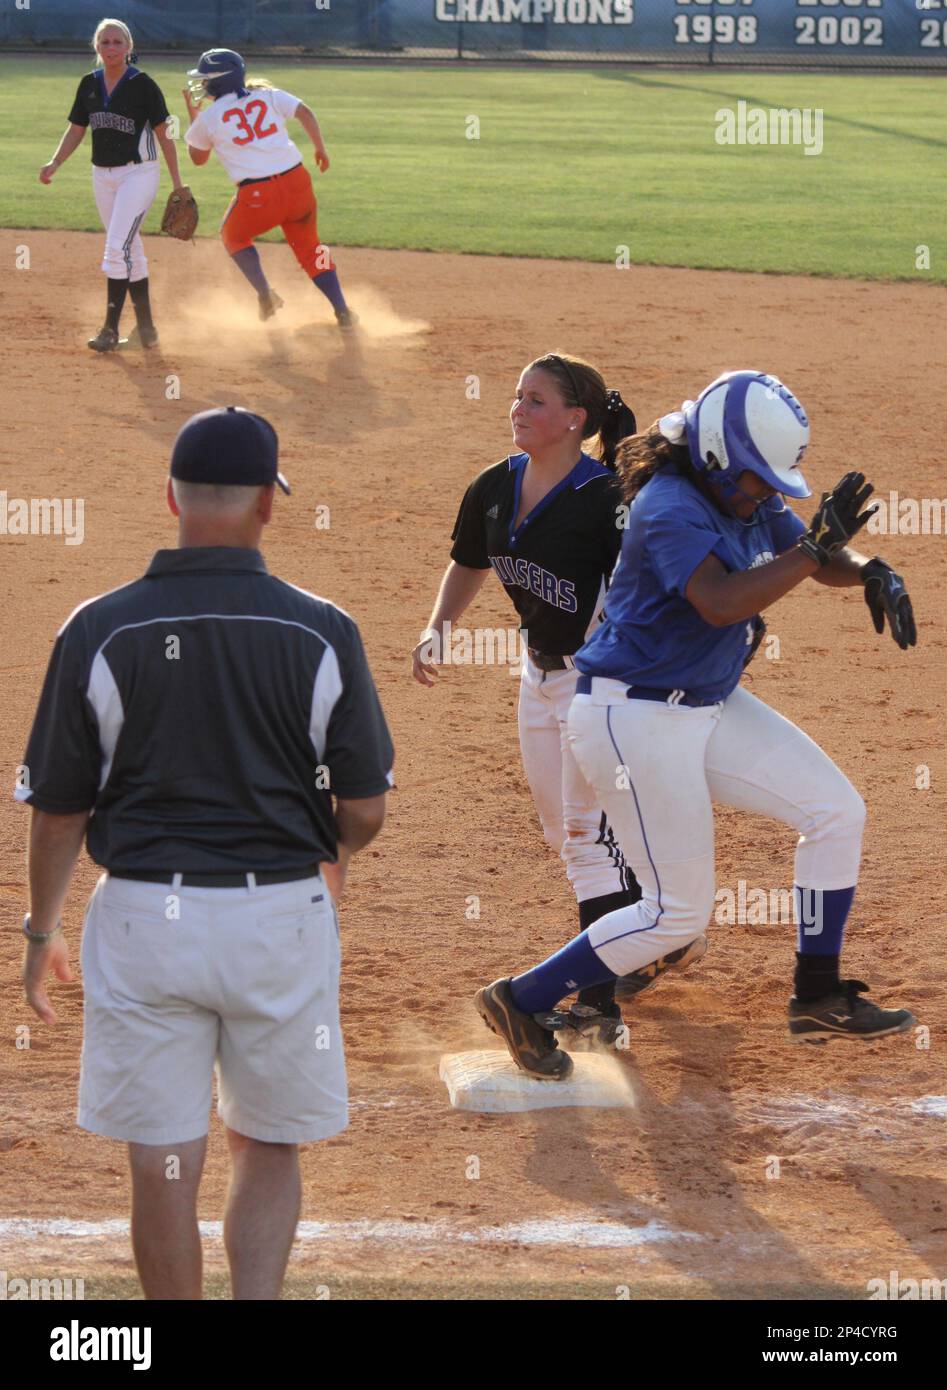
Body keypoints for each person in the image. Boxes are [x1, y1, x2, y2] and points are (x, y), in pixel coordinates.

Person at [17, 406, 394, 1299]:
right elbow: (367, 807)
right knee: (266, 1142)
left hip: (146, 916)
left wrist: (41, 931)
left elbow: (61, 812)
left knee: (163, 1162)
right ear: (268, 502)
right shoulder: (322, 630)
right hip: (280, 917)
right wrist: (326, 858)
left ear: (171, 497)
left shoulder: (98, 627)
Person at [475, 369, 918, 1080]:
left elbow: (816, 550)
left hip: (701, 704)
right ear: (714, 455)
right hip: (631, 717)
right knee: (675, 916)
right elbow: (719, 601)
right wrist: (809, 553)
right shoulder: (670, 504)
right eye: (755, 478)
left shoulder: (737, 492)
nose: (763, 491)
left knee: (834, 810)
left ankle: (817, 994)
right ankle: (520, 999)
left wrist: (870, 570)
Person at [414, 353, 707, 1047]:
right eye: (517, 396)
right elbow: (469, 560)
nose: (518, 407)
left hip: (598, 683)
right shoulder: (493, 485)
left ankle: (599, 1004)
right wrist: (438, 628)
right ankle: (661, 928)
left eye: (535, 400)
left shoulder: (607, 501)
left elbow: (640, 593)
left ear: (575, 420)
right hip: (538, 676)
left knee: (584, 839)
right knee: (566, 834)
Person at [182, 49, 356, 330]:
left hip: (258, 196)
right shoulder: (269, 96)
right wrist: (320, 148)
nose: (202, 84)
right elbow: (305, 112)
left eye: (205, 78)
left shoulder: (210, 117)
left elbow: (197, 159)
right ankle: (343, 310)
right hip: (299, 182)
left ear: (218, 80)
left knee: (233, 236)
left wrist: (194, 118)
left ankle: (265, 294)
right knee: (312, 249)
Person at [38, 18, 184, 352]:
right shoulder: (89, 83)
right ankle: (147, 329)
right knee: (130, 249)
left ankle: (109, 329)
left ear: (129, 48)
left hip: (139, 173)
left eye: (118, 42)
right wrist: (55, 162)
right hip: (101, 176)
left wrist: (177, 183)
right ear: (96, 47)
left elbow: (165, 133)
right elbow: (77, 129)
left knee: (115, 249)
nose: (112, 48)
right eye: (105, 42)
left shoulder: (143, 84)